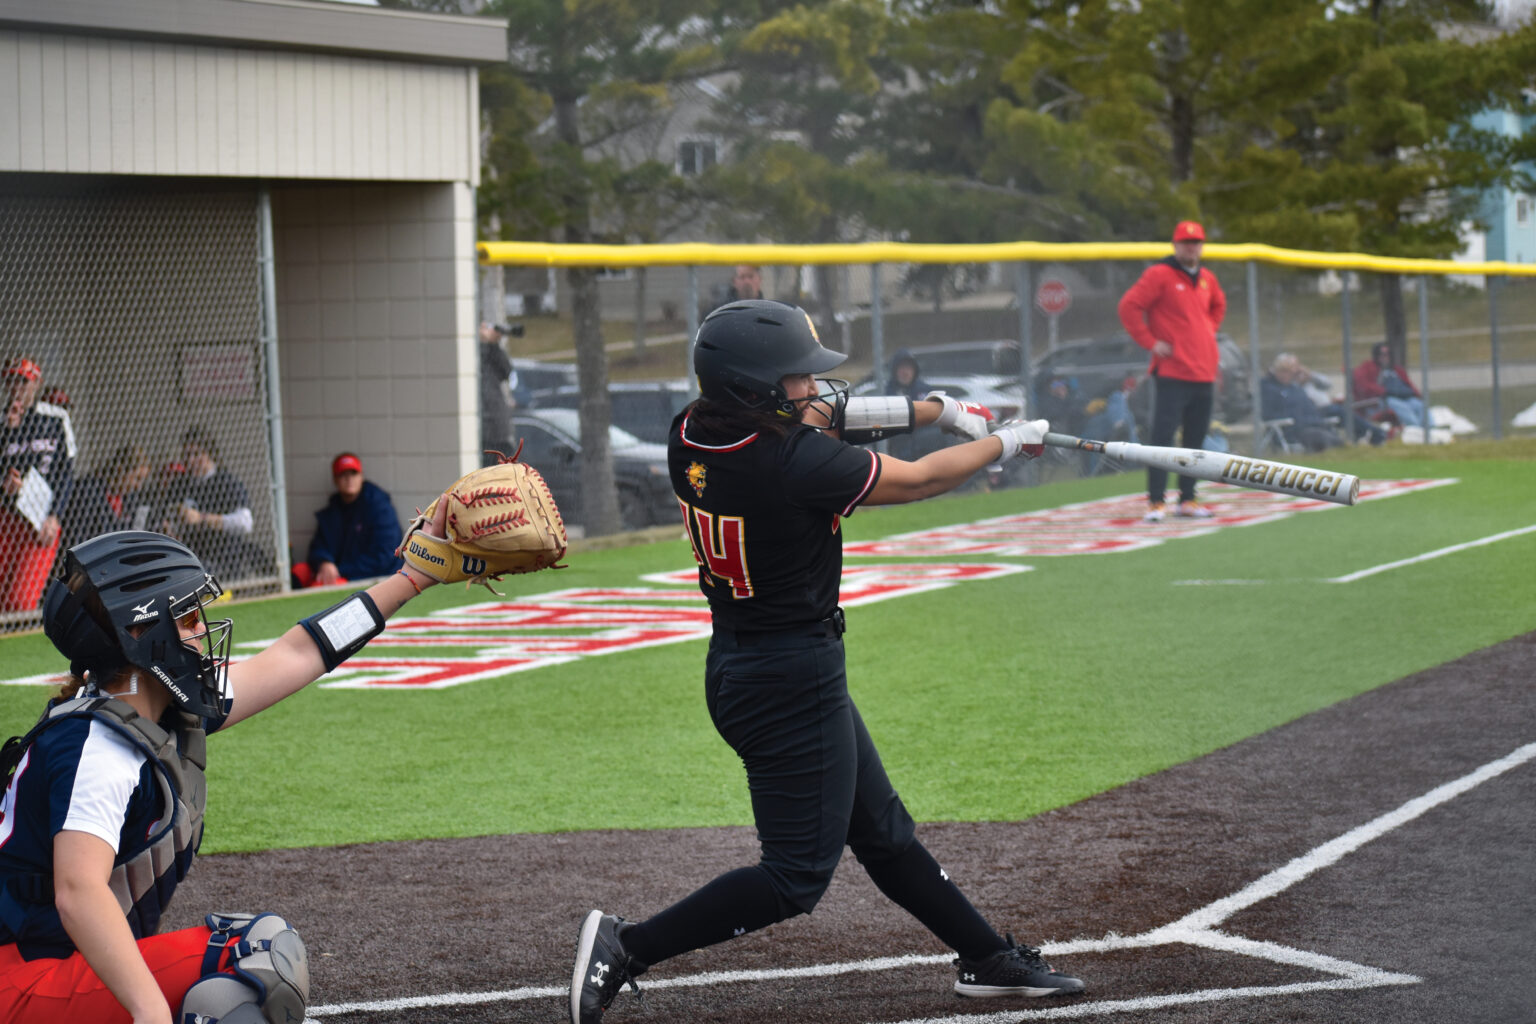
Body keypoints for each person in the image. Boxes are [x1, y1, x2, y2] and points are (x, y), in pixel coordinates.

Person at [568, 299, 1082, 1024]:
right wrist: (1004, 444)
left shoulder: (694, 431)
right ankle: (628, 944)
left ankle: (986, 958)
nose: (812, 391)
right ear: (754, 390)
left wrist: (937, 409)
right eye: (796, 380)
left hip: (750, 663)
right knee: (793, 879)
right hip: (788, 676)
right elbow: (922, 480)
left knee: (881, 831)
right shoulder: (793, 463)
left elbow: (823, 419)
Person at [0, 509, 448, 1022]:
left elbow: (300, 653)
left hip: (46, 969)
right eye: (188, 618)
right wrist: (150, 1012)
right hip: (20, 983)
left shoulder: (143, 710)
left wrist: (413, 579)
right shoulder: (97, 745)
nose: (202, 631)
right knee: (253, 959)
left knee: (255, 948)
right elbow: (78, 892)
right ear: (142, 633)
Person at [1118, 220, 1227, 522]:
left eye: (1196, 242)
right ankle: (1156, 501)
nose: (1191, 247)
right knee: (1162, 439)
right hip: (1172, 373)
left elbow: (1218, 306)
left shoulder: (1207, 278)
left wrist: (1204, 332)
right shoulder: (1159, 275)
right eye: (1186, 242)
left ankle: (1188, 499)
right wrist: (1151, 341)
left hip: (1204, 373)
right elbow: (1129, 306)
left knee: (1196, 440)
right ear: (1176, 245)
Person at [0, 357, 75, 613]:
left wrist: (55, 516)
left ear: (37, 383)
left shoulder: (55, 417)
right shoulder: (2, 421)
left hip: (40, 514)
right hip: (7, 514)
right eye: (11, 381)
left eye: (23, 381)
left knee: (21, 599)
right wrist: (9, 430)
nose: (16, 388)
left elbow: (66, 472)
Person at [292, 453, 403, 588]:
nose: (349, 479)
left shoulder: (379, 507)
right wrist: (324, 562)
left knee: (319, 586)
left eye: (353, 474)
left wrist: (339, 570)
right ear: (335, 479)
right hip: (339, 570)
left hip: (372, 576)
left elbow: (385, 556)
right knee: (300, 571)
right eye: (343, 475)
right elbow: (318, 546)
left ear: (361, 476)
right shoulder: (334, 508)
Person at [161, 427, 257, 581]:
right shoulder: (179, 483)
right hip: (189, 557)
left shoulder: (226, 481)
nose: (190, 460)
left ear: (209, 454)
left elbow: (245, 523)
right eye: (186, 455)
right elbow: (166, 516)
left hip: (223, 559)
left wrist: (202, 518)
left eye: (196, 454)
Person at [60, 444, 154, 548]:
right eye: (137, 478)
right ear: (120, 470)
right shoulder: (88, 490)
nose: (138, 487)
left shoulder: (129, 500)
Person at [1260, 354, 1348, 452]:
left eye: (1291, 372)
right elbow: (1270, 413)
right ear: (1276, 371)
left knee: (1335, 437)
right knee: (1322, 438)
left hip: (1313, 426)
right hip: (1291, 431)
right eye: (1284, 371)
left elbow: (1311, 408)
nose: (1288, 375)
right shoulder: (1267, 388)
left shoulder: (1296, 389)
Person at [1352, 342, 1425, 429]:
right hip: (1381, 401)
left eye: (1388, 354)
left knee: (1418, 404)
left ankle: (1430, 429)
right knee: (1399, 405)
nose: (1385, 357)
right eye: (1382, 354)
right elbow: (1363, 386)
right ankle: (1416, 429)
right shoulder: (1367, 367)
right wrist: (1383, 391)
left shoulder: (1396, 369)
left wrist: (1416, 393)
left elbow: (1409, 385)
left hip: (1403, 397)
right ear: (1376, 355)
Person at [479, 321, 519, 465]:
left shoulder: (491, 352)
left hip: (498, 432)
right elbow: (478, 369)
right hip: (483, 433)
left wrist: (493, 345)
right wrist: (483, 344)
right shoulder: (475, 352)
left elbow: (506, 372)